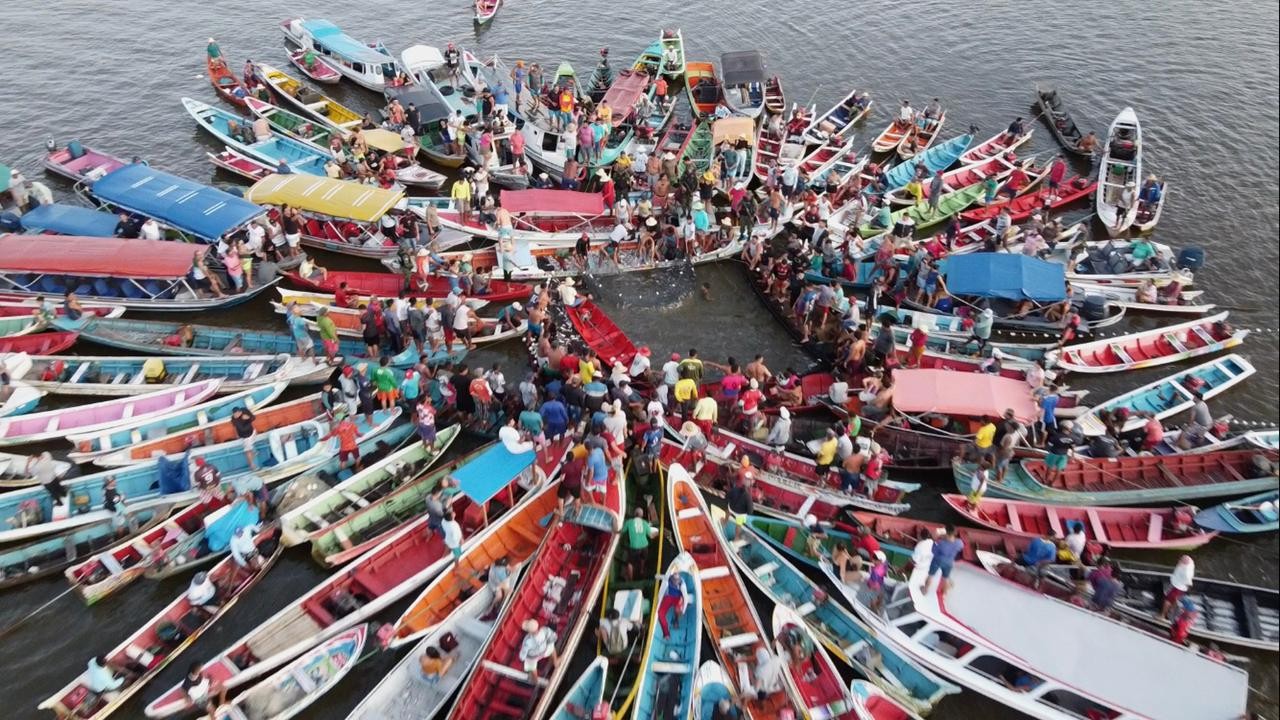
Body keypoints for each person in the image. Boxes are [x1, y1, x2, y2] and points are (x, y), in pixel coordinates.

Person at [919, 525, 964, 598]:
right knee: (945, 578)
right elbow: (959, 547)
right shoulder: (959, 543)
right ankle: (944, 593)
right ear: (955, 533)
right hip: (949, 562)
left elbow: (933, 551)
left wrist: (934, 540)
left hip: (937, 561)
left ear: (946, 532)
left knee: (931, 575)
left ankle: (925, 589)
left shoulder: (941, 543)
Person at [655, 567, 687, 638]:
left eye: (676, 580)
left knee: (678, 610)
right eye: (673, 580)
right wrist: (656, 576)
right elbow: (660, 577)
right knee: (660, 613)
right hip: (669, 597)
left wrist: (683, 611)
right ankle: (666, 633)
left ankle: (676, 620)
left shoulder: (682, 585)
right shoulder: (668, 578)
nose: (675, 582)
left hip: (678, 598)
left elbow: (686, 598)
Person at [1160, 555, 1195, 620]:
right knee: (1175, 598)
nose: (1179, 562)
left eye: (1181, 561)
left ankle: (1162, 616)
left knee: (1167, 600)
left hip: (1178, 587)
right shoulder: (1190, 562)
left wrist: (1187, 589)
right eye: (1180, 560)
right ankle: (1171, 611)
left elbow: (1188, 582)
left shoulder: (1186, 572)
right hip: (1176, 584)